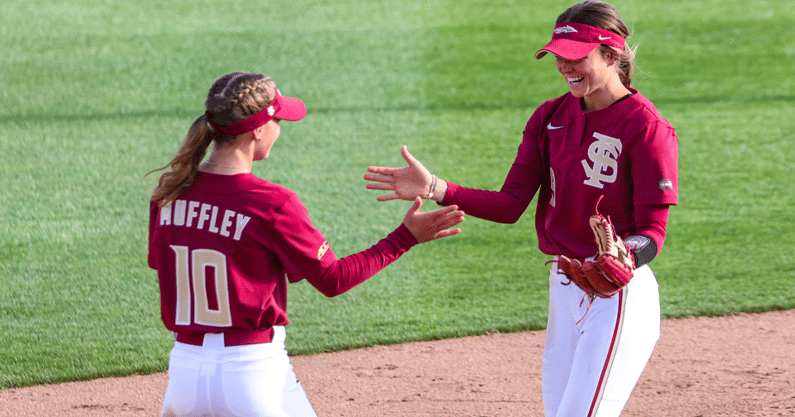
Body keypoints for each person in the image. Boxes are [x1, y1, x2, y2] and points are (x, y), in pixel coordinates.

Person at [364, 1, 678, 416]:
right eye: (558, 57)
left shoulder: (646, 127)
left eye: (576, 57)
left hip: (616, 291)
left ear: (611, 54)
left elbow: (654, 229)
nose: (564, 67)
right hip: (564, 285)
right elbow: (511, 204)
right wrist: (438, 187)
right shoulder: (550, 117)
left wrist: (627, 254)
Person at [147, 71, 465, 417]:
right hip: (251, 371)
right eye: (278, 120)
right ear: (257, 130)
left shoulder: (169, 193)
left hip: (185, 373)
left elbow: (163, 264)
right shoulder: (271, 203)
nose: (280, 129)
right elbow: (333, 279)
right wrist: (404, 238)